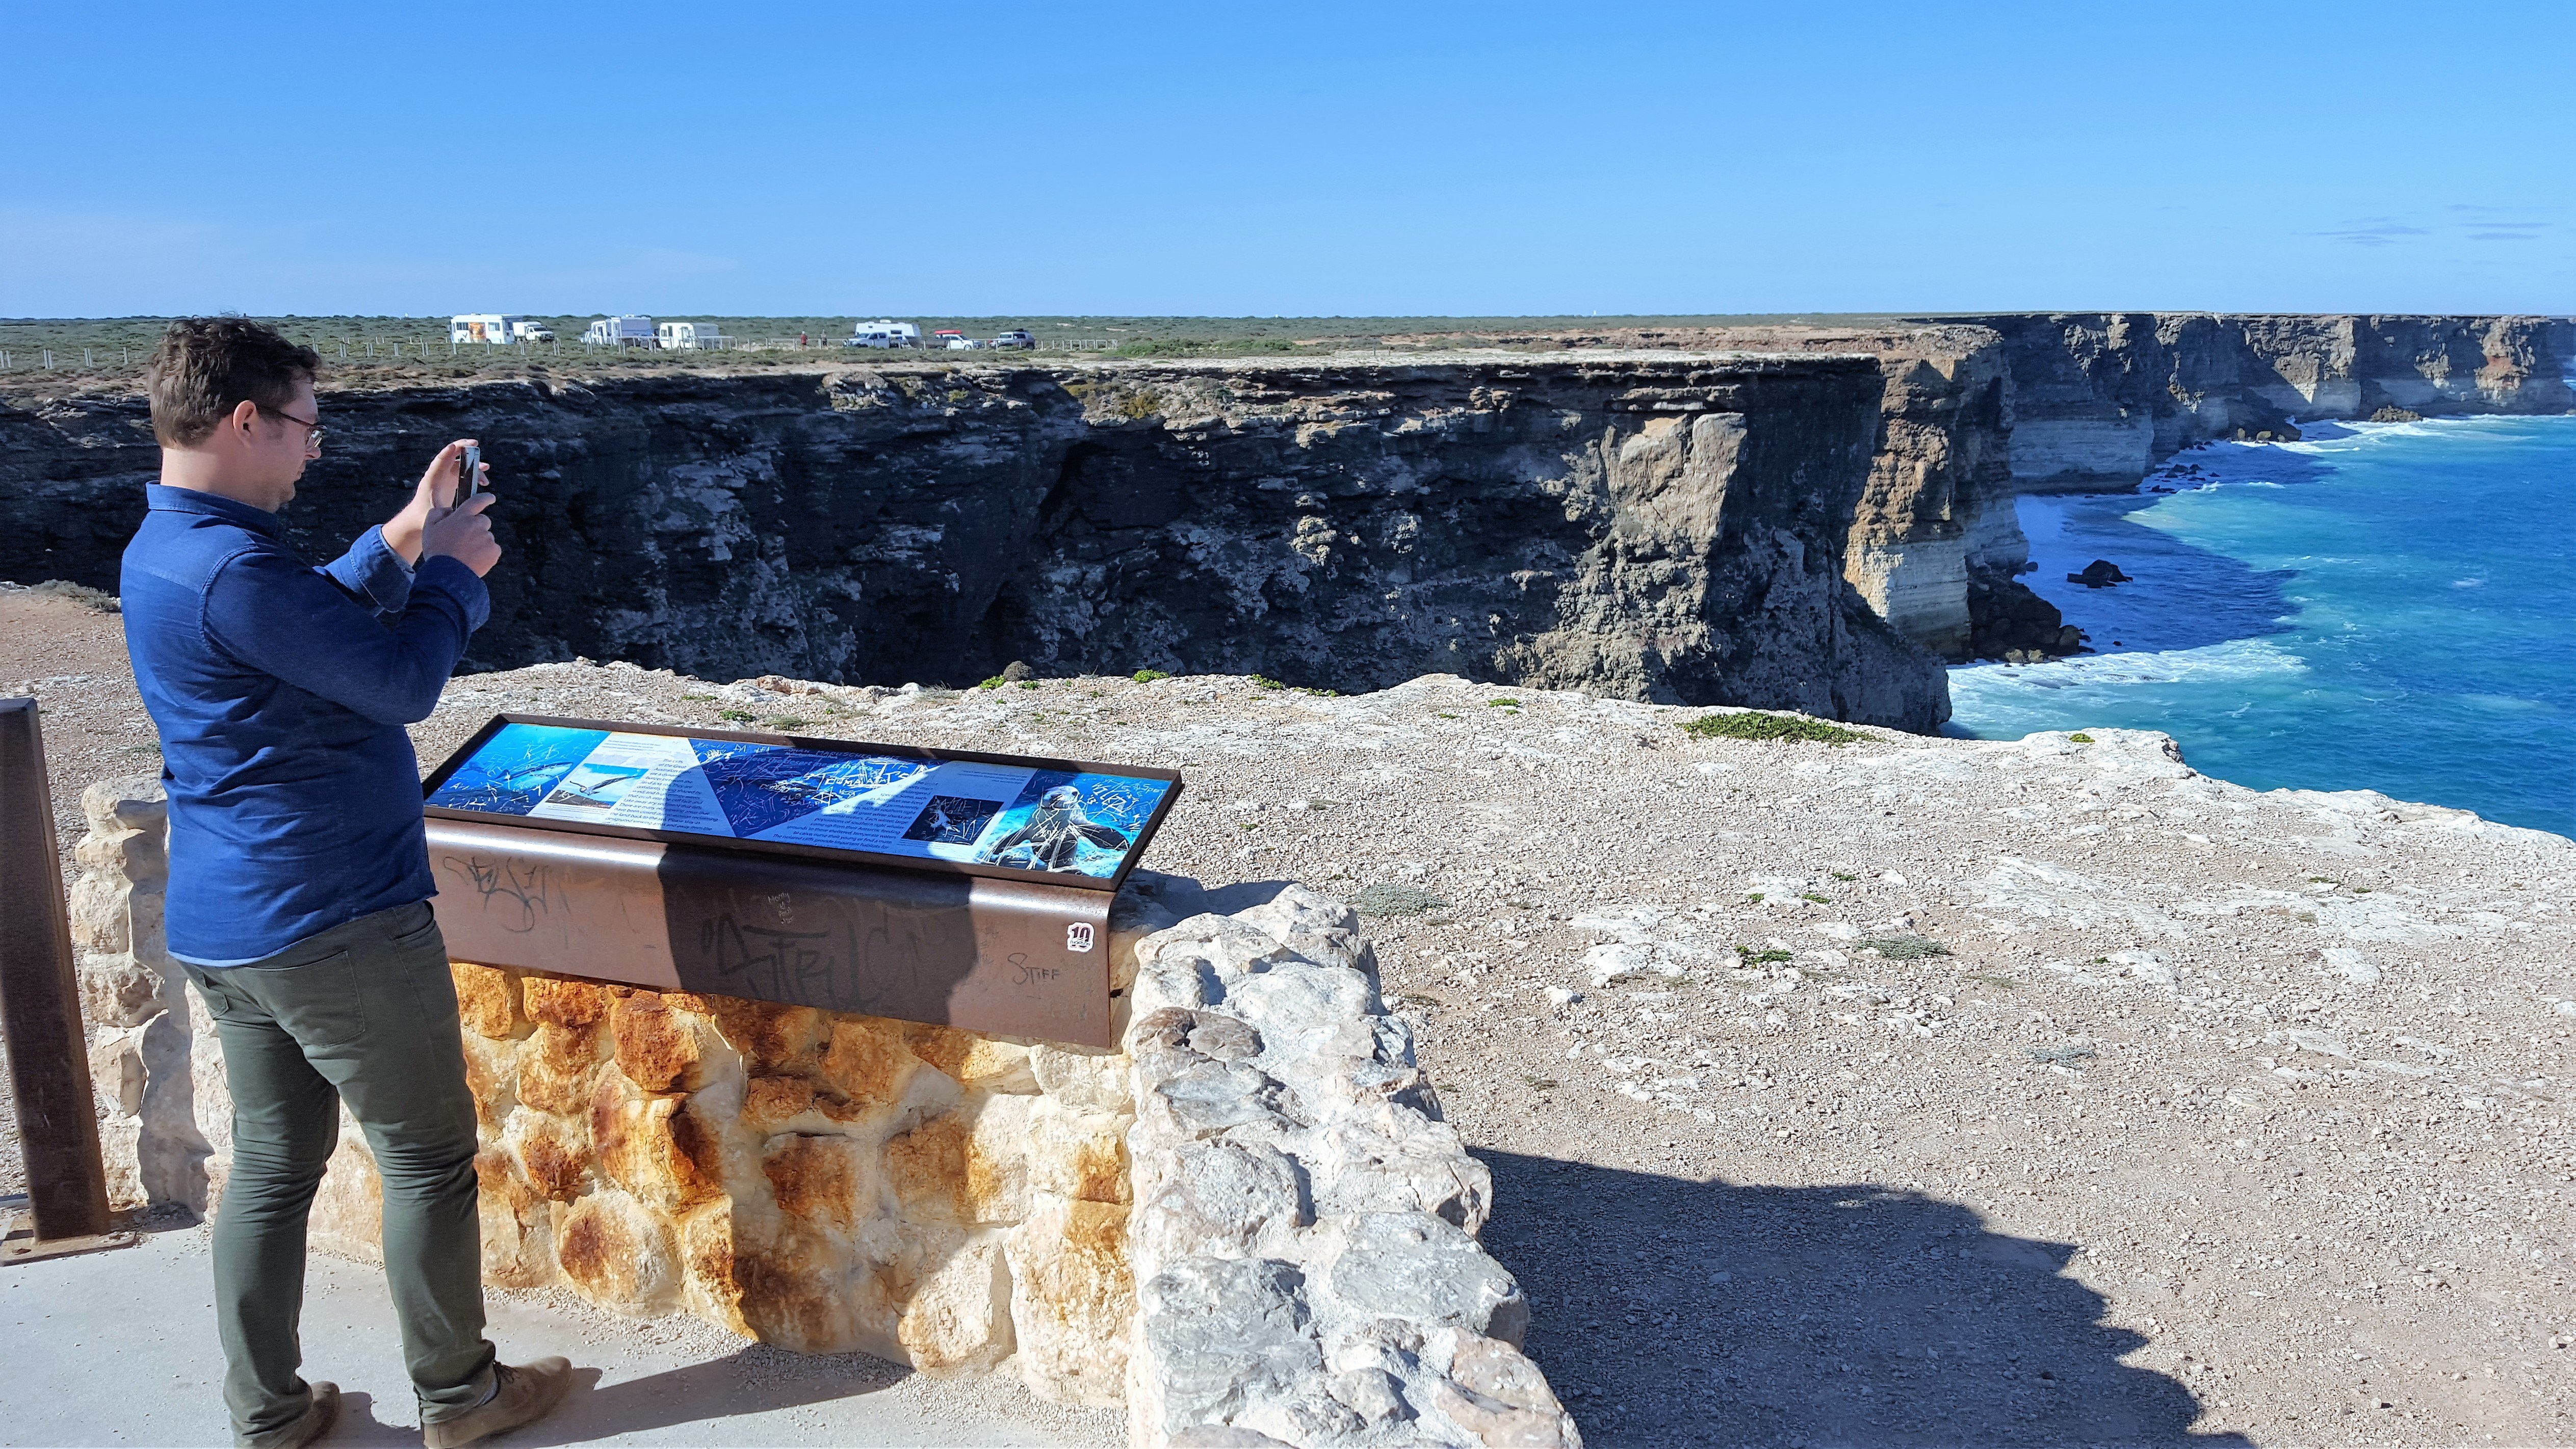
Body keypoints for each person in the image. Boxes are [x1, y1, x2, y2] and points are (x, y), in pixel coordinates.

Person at [120, 318, 573, 1449]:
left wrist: (406, 534)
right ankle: (463, 1395)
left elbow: (294, 620)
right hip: (333, 919)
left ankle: (269, 1412)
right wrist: (453, 582)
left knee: (271, 1166)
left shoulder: (164, 549)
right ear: (244, 421)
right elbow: (395, 682)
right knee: (424, 1152)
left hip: (226, 921)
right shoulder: (232, 564)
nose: (312, 451)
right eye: (307, 429)